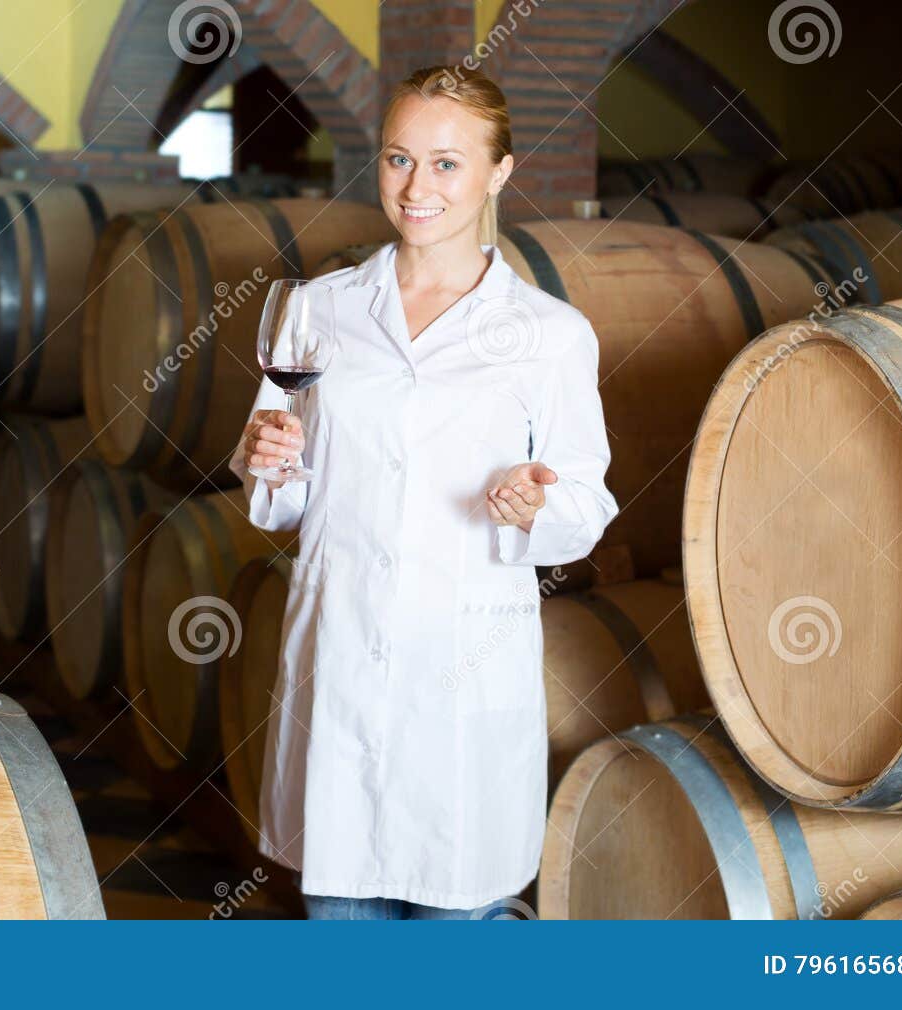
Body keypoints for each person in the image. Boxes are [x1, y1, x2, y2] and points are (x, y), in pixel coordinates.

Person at [228, 65, 618, 920]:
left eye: (447, 163)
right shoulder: (318, 310)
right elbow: (277, 495)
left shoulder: (551, 334)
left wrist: (535, 507)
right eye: (399, 159)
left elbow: (586, 503)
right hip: (340, 676)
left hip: (463, 687)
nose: (416, 188)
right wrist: (268, 459)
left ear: (499, 172)